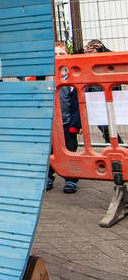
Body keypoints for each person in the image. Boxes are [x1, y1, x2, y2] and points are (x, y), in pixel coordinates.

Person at [47, 42, 79, 194]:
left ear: (68, 56)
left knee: (70, 151)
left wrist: (76, 125)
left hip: (67, 123)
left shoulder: (72, 77)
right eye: (54, 54)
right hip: (50, 123)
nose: (58, 57)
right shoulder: (46, 77)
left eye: (61, 54)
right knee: (49, 152)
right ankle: (48, 177)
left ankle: (71, 179)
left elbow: (78, 104)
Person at [84, 39, 123, 145]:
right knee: (103, 124)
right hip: (95, 95)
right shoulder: (91, 61)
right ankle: (115, 144)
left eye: (90, 51)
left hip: (107, 94)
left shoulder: (107, 59)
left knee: (106, 125)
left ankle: (117, 144)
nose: (88, 54)